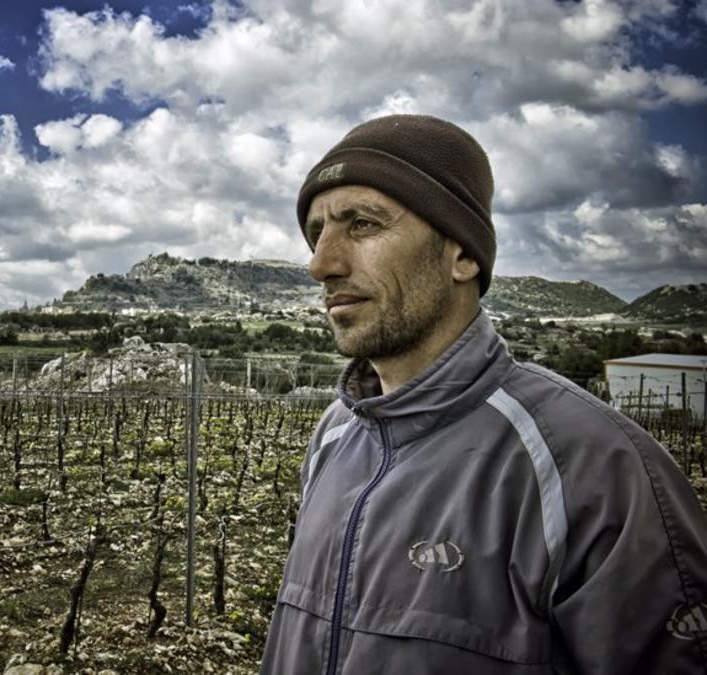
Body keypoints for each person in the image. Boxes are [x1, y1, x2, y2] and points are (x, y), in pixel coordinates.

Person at [261, 114, 707, 674]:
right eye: (316, 232)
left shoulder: (595, 466)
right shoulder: (336, 432)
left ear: (463, 255)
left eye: (364, 225)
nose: (320, 264)